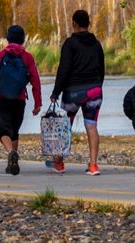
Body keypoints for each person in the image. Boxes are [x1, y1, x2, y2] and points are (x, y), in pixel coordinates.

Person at [0, 24, 41, 175]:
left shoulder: (0, 56)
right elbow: (35, 81)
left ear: (7, 39)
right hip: (19, 99)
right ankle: (13, 160)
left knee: (4, 130)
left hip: (2, 98)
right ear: (23, 39)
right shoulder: (27, 57)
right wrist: (38, 103)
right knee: (15, 130)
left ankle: (11, 152)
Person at [48, 9, 105, 175]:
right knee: (92, 126)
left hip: (73, 91)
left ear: (74, 24)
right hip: (94, 90)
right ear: (89, 24)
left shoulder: (70, 43)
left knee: (65, 126)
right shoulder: (97, 44)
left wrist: (56, 92)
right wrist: (97, 87)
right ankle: (93, 165)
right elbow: (102, 69)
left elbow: (63, 69)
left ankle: (59, 163)